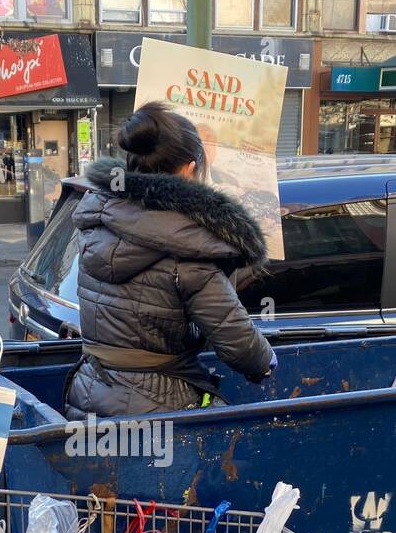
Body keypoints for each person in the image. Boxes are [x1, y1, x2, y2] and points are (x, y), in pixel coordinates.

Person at [64, 101, 275, 419]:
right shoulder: (189, 245)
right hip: (159, 409)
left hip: (89, 393)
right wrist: (268, 363)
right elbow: (241, 346)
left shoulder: (99, 220)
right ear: (190, 168)